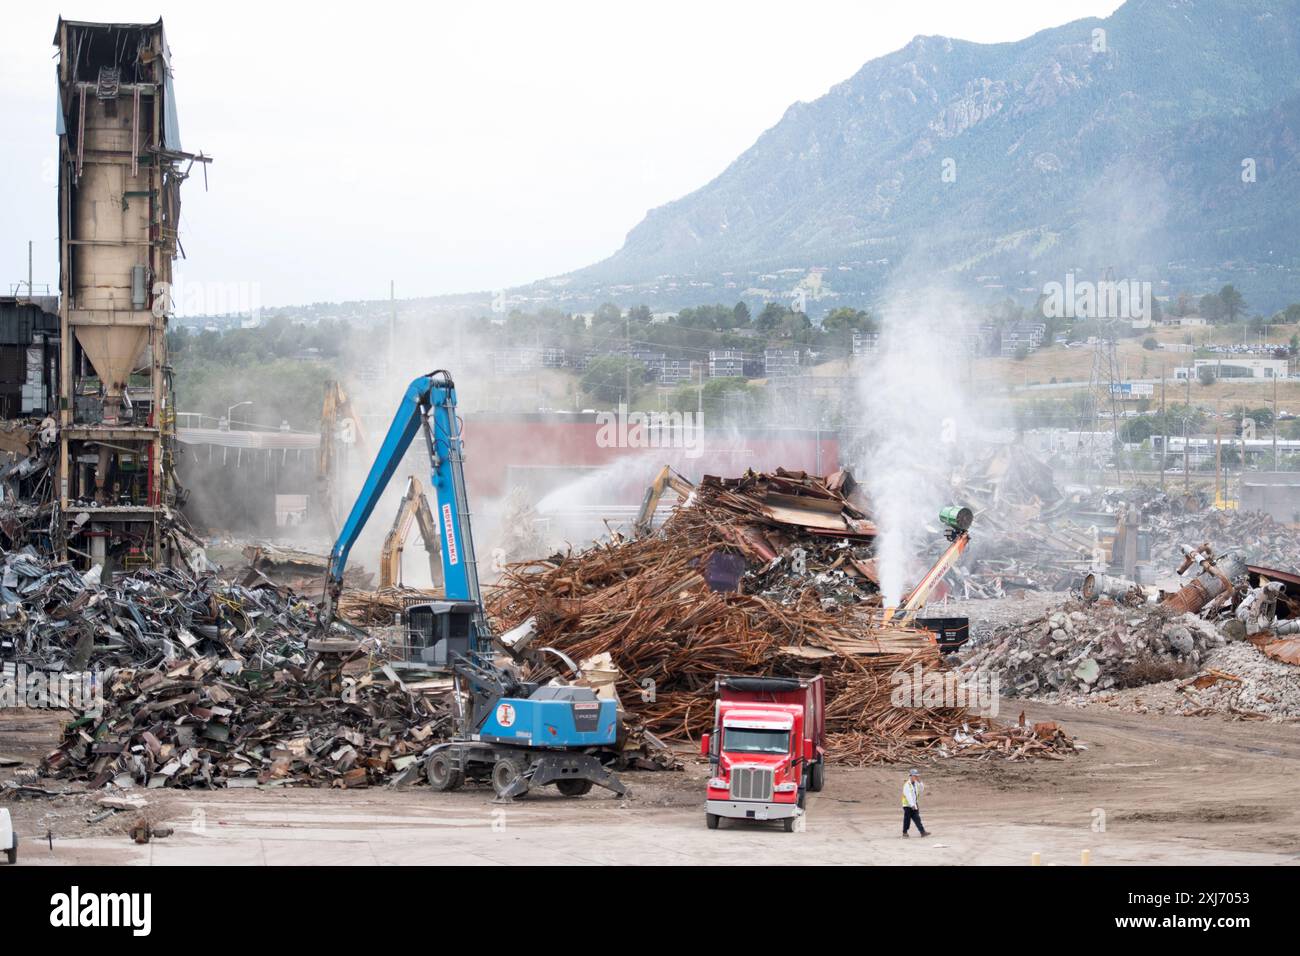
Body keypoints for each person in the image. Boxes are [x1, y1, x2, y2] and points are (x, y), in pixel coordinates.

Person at [902, 768, 929, 838]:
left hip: (914, 804)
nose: (916, 777)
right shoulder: (907, 785)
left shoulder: (916, 783)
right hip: (907, 805)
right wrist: (912, 805)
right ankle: (905, 833)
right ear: (910, 776)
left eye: (917, 776)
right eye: (915, 776)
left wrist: (920, 782)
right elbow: (908, 796)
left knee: (917, 819)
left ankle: (922, 832)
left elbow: (922, 789)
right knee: (907, 820)